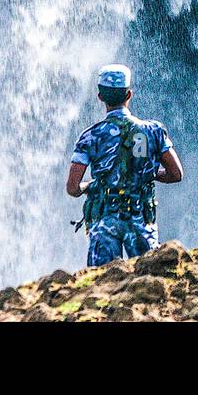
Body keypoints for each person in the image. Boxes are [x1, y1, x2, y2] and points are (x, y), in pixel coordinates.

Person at [66, 64, 183, 267]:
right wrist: (149, 173)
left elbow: (72, 188)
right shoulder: (152, 131)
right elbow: (175, 174)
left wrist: (90, 186)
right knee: (149, 276)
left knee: (102, 283)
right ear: (129, 94)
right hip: (140, 217)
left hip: (105, 221)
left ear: (100, 97)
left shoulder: (90, 136)